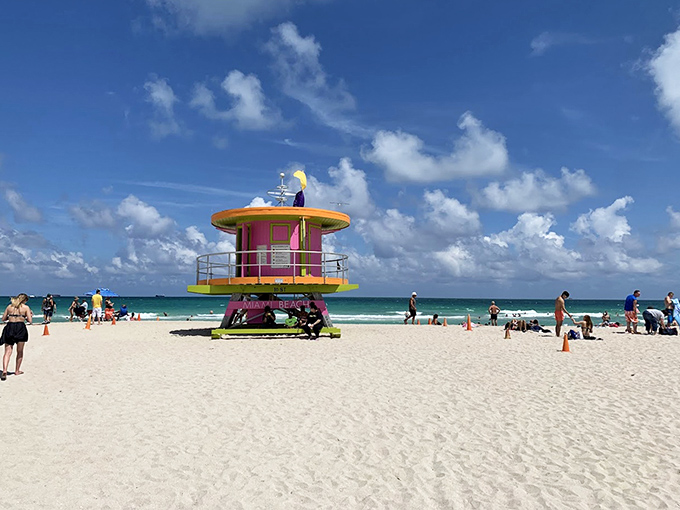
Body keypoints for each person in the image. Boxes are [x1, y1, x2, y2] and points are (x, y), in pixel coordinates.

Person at [1, 293, 33, 380]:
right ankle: (17, 370)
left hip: (10, 327)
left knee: (7, 352)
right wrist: (27, 316)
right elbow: (30, 321)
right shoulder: (26, 308)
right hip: (20, 328)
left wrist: (11, 317)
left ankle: (4, 370)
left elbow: (3, 319)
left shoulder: (9, 307)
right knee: (20, 351)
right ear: (24, 300)